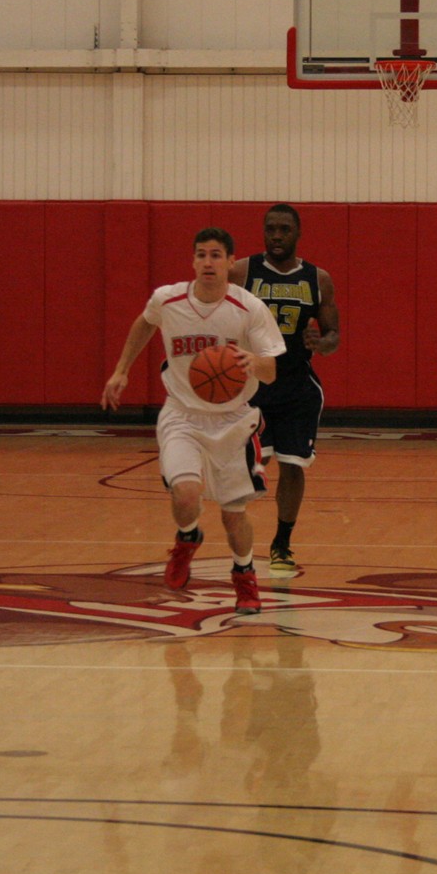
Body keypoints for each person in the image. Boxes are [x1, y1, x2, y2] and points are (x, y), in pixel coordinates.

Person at [102, 227, 285, 615]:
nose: (208, 262)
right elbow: (145, 323)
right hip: (182, 415)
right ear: (193, 261)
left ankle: (244, 574)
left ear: (230, 262)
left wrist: (253, 362)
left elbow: (271, 372)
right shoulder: (167, 300)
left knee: (233, 514)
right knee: (185, 494)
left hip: (234, 420)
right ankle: (187, 538)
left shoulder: (249, 308)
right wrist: (121, 370)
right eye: (201, 255)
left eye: (216, 255)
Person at [231, 204, 340, 572]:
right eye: (271, 229)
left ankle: (282, 542)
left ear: (298, 233)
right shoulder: (242, 272)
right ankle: (238, 543)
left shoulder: (317, 279)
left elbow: (333, 335)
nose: (277, 236)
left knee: (293, 465)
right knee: (250, 467)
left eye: (284, 229)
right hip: (253, 386)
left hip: (296, 386)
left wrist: (321, 342)